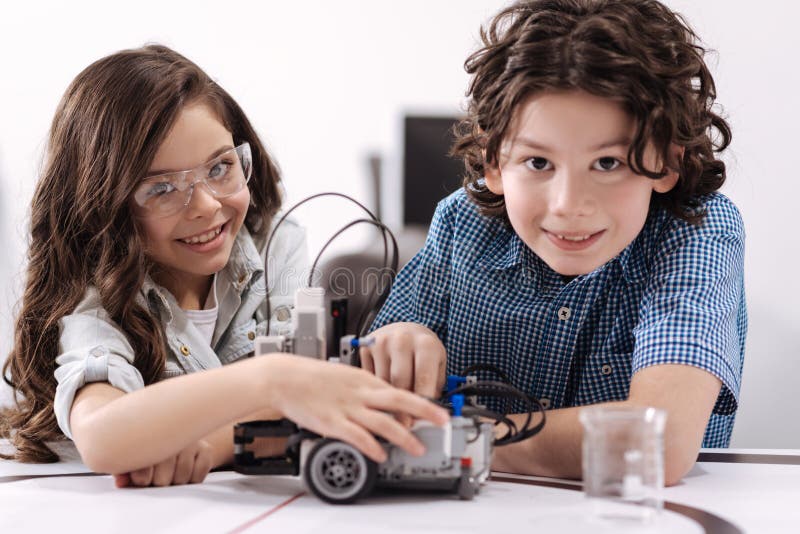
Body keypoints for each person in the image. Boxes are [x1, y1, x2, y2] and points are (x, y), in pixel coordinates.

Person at [0, 45, 448, 487]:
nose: (206, 206)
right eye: (160, 189)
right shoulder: (96, 298)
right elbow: (103, 437)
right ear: (105, 208)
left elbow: (306, 401)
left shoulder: (275, 242)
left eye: (220, 168)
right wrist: (271, 379)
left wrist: (211, 441)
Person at [364, 0, 745, 486]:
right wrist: (400, 342)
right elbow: (371, 395)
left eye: (608, 163)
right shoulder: (461, 222)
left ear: (669, 161)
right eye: (539, 163)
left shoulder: (697, 229)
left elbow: (657, 443)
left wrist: (456, 439)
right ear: (493, 163)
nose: (568, 204)